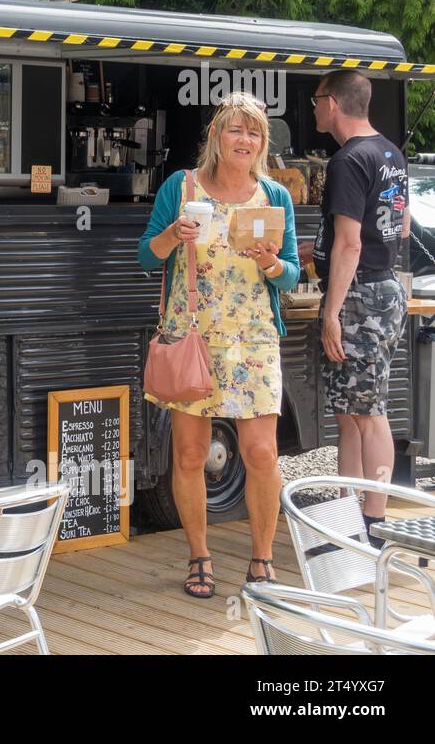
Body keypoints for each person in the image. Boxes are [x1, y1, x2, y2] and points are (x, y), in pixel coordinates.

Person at [139, 93, 300, 597]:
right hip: (193, 336)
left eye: (254, 134)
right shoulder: (181, 187)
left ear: (262, 143)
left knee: (260, 452)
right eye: (235, 130)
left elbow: (291, 273)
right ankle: (200, 556)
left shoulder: (275, 197)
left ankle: (262, 558)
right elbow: (147, 256)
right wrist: (172, 234)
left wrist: (272, 263)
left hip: (253, 337)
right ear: (216, 135)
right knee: (189, 454)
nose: (245, 141)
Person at [299, 69, 409, 546]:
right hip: (384, 289)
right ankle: (349, 515)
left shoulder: (347, 160)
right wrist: (314, 250)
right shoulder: (390, 153)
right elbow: (399, 228)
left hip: (360, 295)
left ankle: (375, 522)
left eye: (316, 100)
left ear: (335, 103)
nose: (314, 109)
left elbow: (349, 244)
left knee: (368, 413)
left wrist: (330, 313)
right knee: (350, 412)